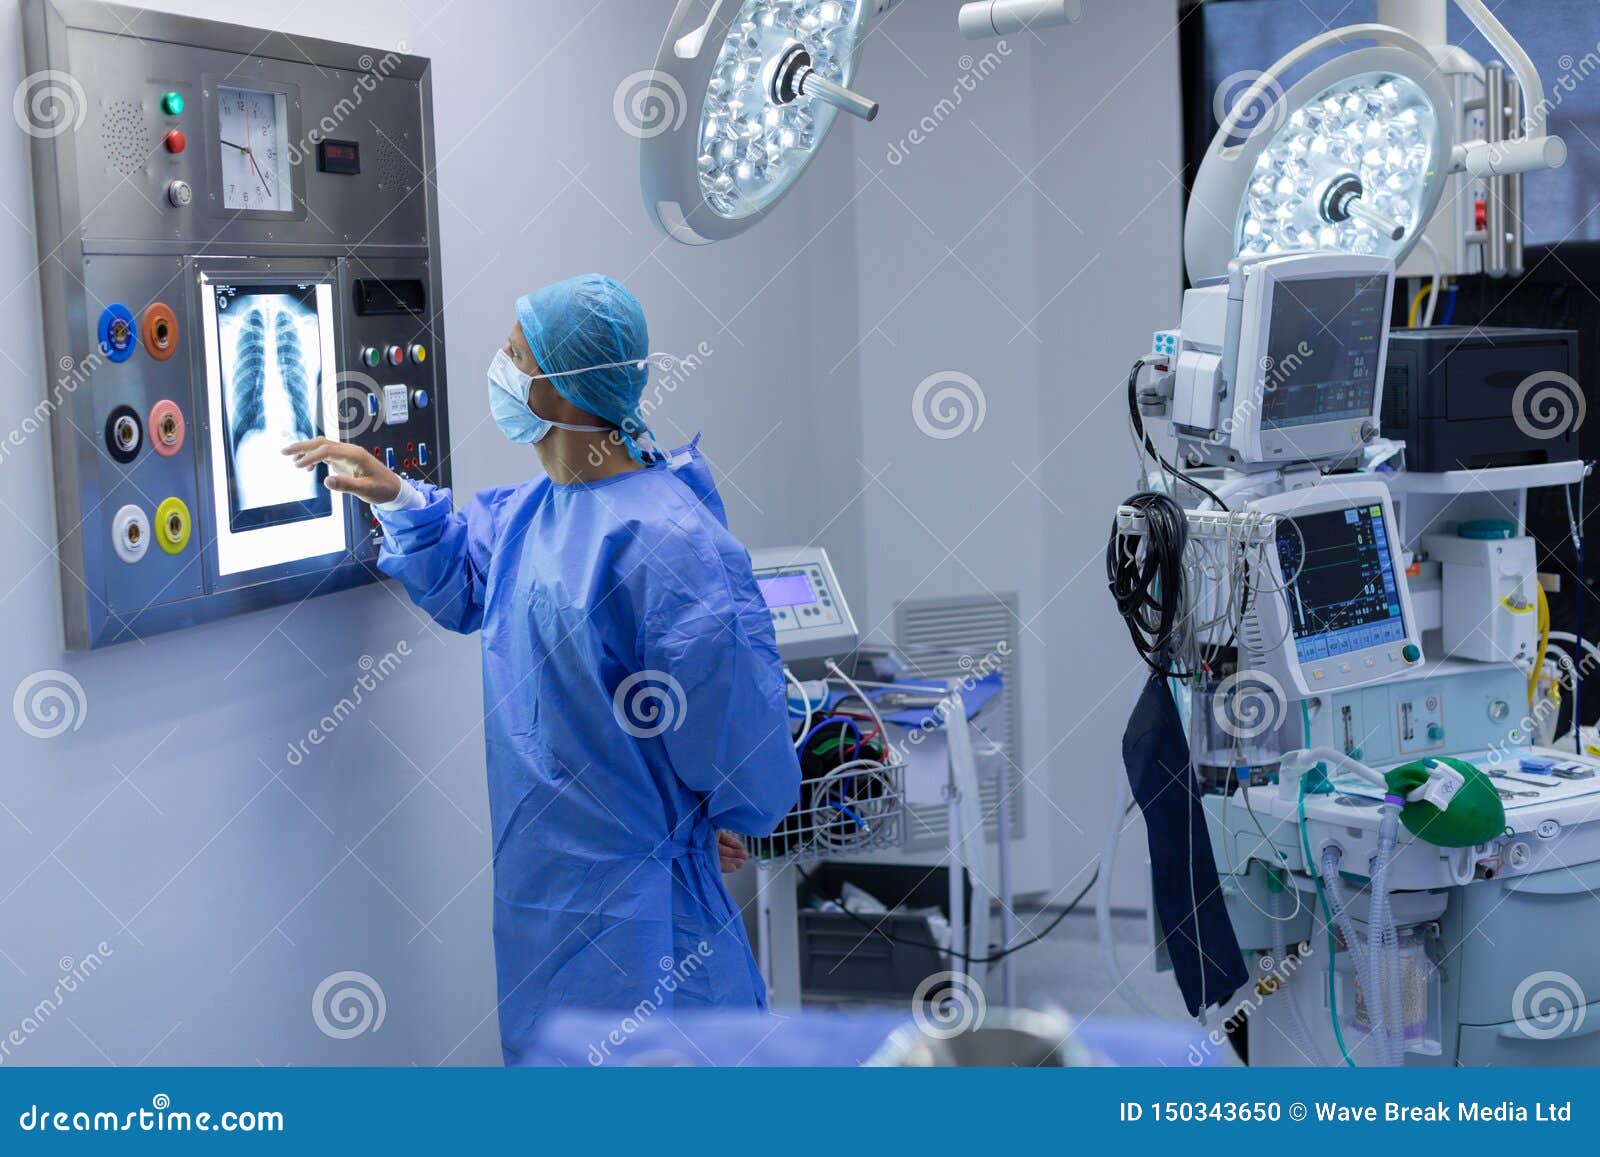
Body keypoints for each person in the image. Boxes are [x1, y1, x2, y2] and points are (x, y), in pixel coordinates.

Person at [285, 274, 799, 1064]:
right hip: (547, 907)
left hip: (650, 925)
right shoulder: (536, 512)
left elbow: (741, 746)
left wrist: (718, 820)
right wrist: (398, 497)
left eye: (514, 354)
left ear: (560, 388)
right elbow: (466, 583)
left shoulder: (668, 545)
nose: (499, 365)